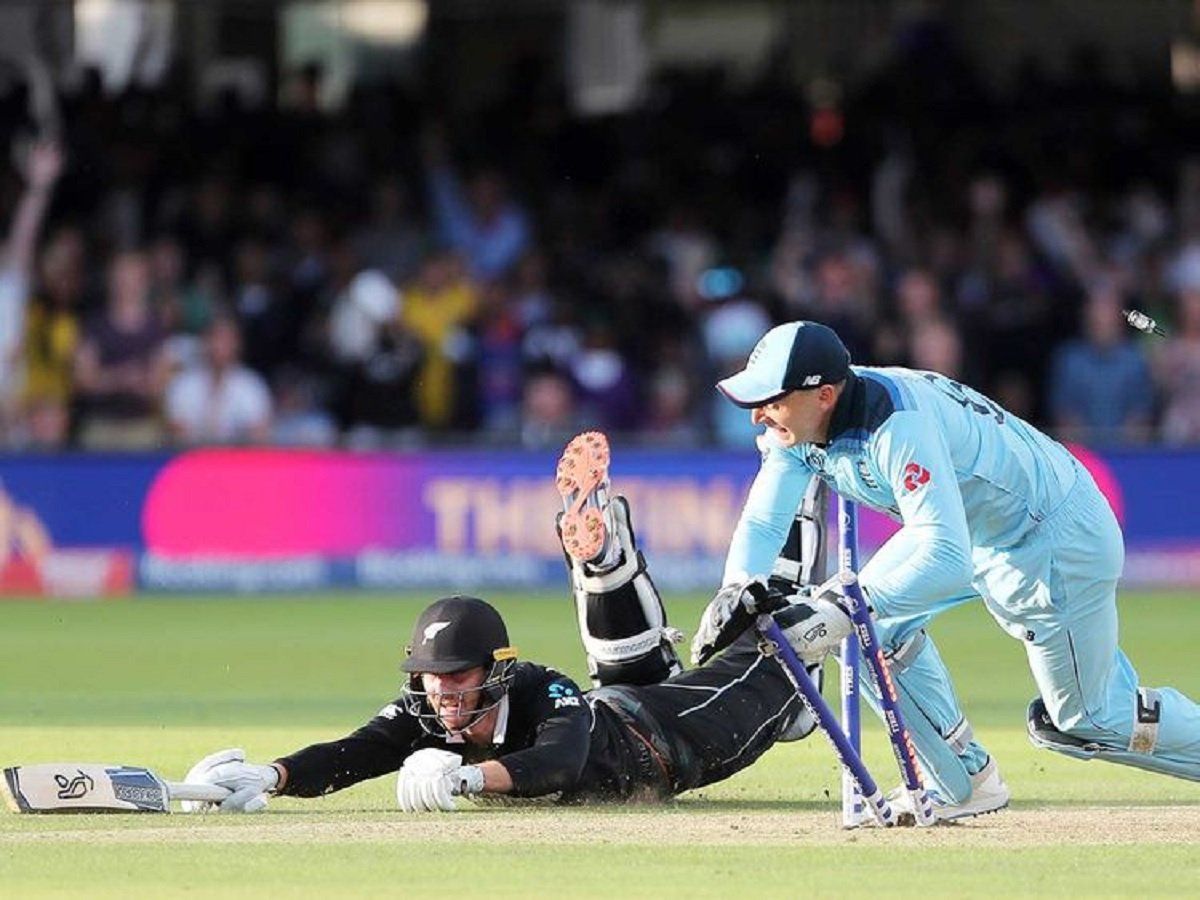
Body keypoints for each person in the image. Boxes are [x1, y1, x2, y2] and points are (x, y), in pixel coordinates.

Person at [694, 319, 1200, 821]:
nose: (758, 416)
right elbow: (765, 518)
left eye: (771, 401)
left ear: (824, 395)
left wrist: (835, 611)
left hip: (1049, 537)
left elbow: (947, 558)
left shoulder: (896, 426)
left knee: (1087, 719)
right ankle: (964, 782)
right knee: (870, 631)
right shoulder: (800, 424)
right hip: (976, 528)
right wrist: (738, 586)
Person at [181, 433, 817, 812]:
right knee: (626, 635)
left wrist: (463, 778)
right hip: (631, 690)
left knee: (777, 634)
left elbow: (562, 762)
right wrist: (272, 776)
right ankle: (602, 560)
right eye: (431, 678)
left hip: (673, 736)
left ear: (496, 671)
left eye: (457, 676)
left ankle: (802, 476)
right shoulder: (431, 708)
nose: (443, 693)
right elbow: (355, 753)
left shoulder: (544, 689)